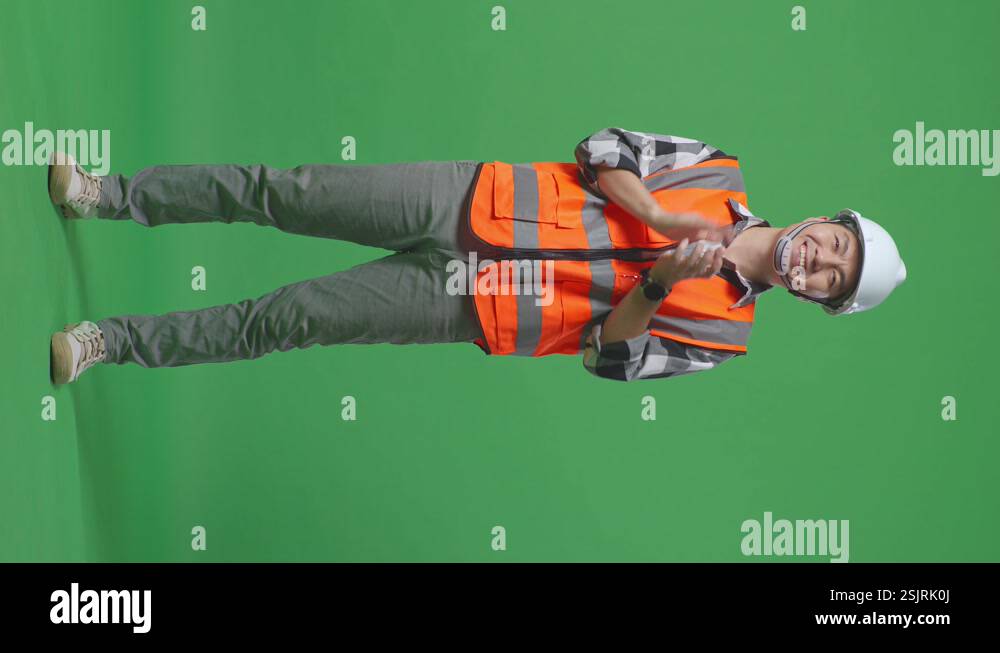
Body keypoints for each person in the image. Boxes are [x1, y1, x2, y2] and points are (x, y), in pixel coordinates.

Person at [47, 127, 907, 385]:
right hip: (468, 197)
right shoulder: (718, 169)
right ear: (828, 220)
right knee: (288, 188)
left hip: (474, 300)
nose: (821, 260)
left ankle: (108, 341)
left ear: (819, 300)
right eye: (837, 244)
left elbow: (609, 359)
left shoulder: (722, 340)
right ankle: (107, 194)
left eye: (834, 278)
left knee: (290, 318)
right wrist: (655, 213)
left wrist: (657, 282)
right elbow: (603, 144)